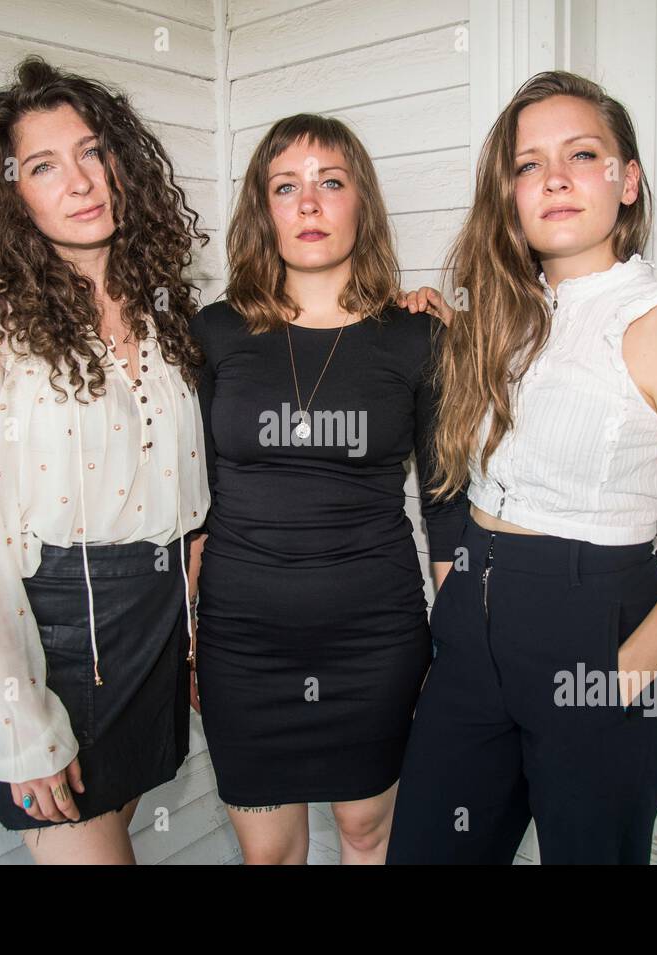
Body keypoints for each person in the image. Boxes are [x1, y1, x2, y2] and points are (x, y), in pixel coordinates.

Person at [388, 70, 657, 864]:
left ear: (627, 182)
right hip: (470, 633)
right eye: (528, 164)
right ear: (511, 195)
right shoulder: (503, 319)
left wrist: (619, 681)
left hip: (595, 635)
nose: (552, 177)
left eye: (581, 155)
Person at [0, 56, 210, 864]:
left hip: (155, 626)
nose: (81, 181)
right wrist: (18, 720)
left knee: (120, 822)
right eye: (44, 166)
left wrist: (191, 631)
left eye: (93, 152)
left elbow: (189, 507)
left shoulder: (166, 313)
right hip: (53, 635)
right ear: (9, 191)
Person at [189, 114, 466, 864]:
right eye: (287, 186)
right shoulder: (212, 333)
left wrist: (464, 642)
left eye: (330, 182)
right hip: (241, 644)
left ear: (361, 206)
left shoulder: (418, 336)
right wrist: (183, 634)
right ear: (263, 209)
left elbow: (445, 503)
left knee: (366, 836)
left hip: (374, 642)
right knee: (269, 856)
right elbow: (196, 500)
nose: (309, 204)